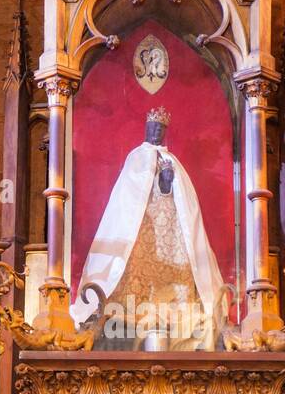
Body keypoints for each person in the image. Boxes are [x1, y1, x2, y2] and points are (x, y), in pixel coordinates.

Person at [71, 107, 228, 349]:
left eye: (161, 129)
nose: (157, 132)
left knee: (178, 267)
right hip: (141, 227)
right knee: (131, 266)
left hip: (172, 228)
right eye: (154, 128)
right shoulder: (136, 157)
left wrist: (168, 180)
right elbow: (126, 199)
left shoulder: (172, 161)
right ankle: (128, 313)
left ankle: (175, 315)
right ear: (147, 129)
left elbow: (184, 201)